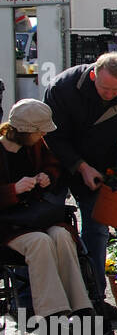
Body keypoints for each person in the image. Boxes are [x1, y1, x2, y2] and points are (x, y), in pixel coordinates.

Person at [43, 52, 117, 313]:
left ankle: (94, 298)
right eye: (105, 88)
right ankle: (51, 302)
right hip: (54, 164)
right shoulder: (63, 87)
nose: (110, 94)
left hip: (100, 163)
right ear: (94, 74)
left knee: (97, 230)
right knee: (48, 227)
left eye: (116, 89)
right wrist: (80, 166)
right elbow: (53, 137)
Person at [0, 100, 93, 319]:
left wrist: (47, 177)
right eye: (39, 130)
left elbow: (53, 166)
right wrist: (13, 189)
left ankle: (81, 308)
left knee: (62, 235)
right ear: (24, 130)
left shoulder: (36, 145)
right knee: (39, 242)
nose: (43, 134)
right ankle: (53, 313)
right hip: (8, 225)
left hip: (36, 217)